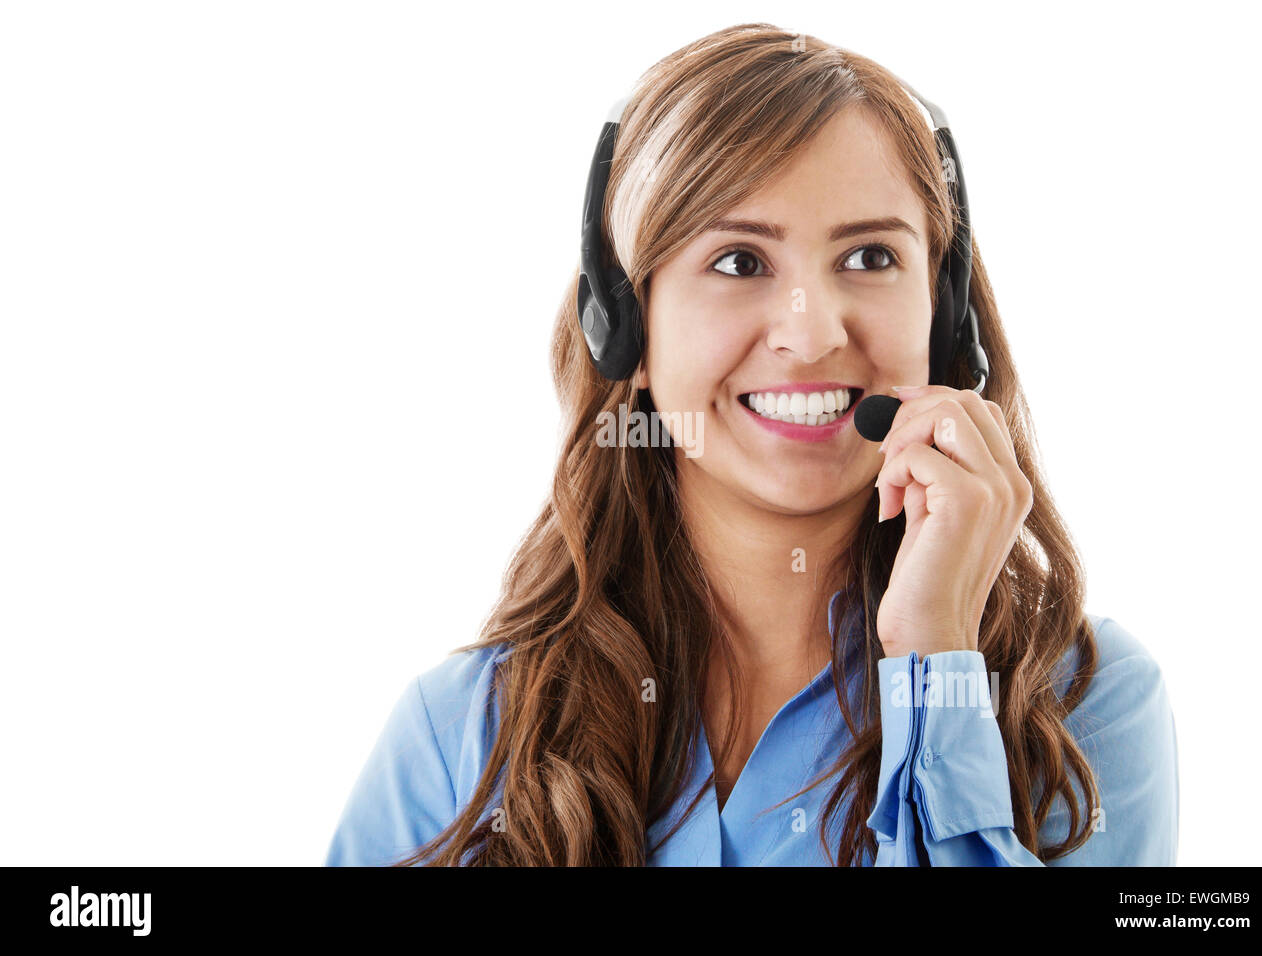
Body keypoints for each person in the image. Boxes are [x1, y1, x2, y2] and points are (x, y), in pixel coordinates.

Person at [325, 23, 1178, 866]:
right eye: (739, 261)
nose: (809, 339)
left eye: (871, 255)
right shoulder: (460, 739)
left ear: (944, 314)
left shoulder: (1085, 709)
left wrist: (938, 669)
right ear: (626, 324)